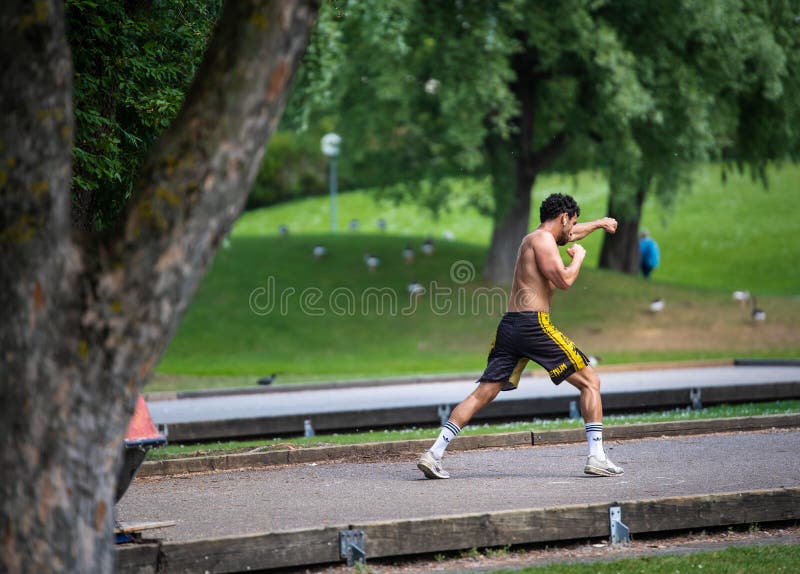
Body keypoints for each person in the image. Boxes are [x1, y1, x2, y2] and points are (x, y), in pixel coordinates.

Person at [417, 193, 623, 479]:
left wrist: (599, 224)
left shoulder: (537, 238)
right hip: (533, 325)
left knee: (483, 393)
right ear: (563, 217)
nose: (573, 232)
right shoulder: (543, 242)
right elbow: (563, 280)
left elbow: (571, 234)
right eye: (571, 223)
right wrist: (578, 259)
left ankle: (434, 453)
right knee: (591, 382)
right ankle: (597, 457)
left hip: (510, 326)